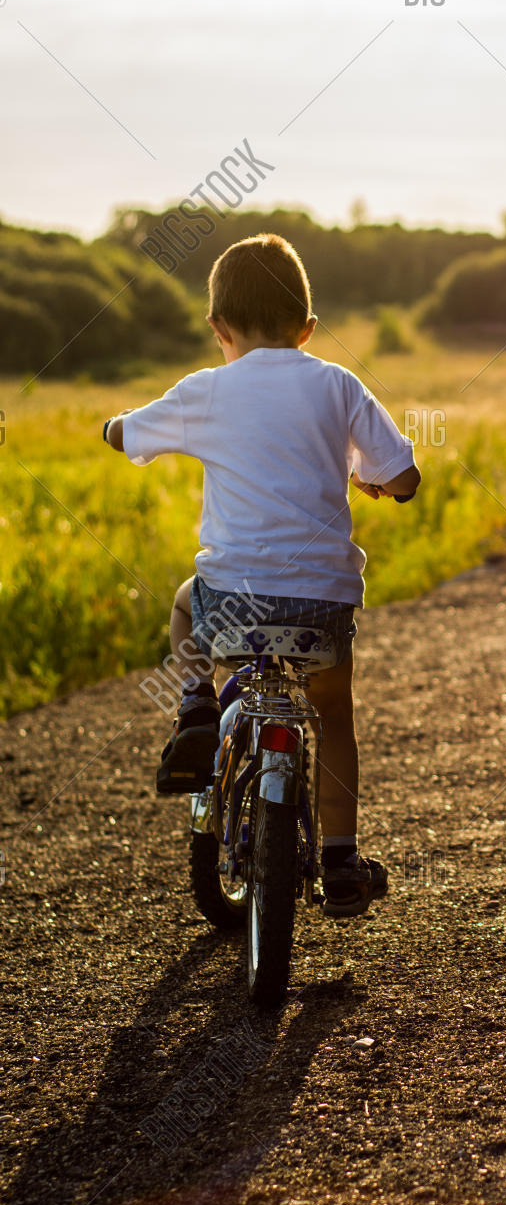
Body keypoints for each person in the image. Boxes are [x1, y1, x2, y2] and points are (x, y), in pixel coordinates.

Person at [102, 232, 420, 916]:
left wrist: (111, 426)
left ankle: (193, 704)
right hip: (324, 606)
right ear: (307, 329)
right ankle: (339, 855)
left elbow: (128, 436)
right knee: (334, 714)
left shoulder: (207, 390)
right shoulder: (338, 382)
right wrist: (370, 480)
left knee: (187, 603)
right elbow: (404, 477)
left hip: (233, 605)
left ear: (218, 328)